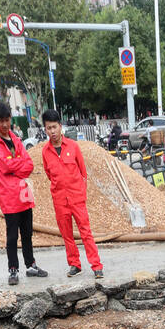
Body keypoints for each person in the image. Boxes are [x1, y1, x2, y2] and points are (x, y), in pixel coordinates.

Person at [0, 100, 48, 286]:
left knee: (27, 233)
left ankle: (31, 265)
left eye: (7, 120)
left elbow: (28, 164)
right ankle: (13, 269)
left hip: (24, 192)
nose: (5, 124)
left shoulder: (14, 137)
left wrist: (16, 166)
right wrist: (18, 164)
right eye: (1, 121)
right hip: (9, 196)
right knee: (12, 236)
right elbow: (5, 165)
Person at [41, 108, 103, 279]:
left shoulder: (73, 147)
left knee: (86, 232)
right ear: (45, 129)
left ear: (60, 126)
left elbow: (83, 172)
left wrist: (80, 192)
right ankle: (74, 264)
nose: (52, 131)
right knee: (67, 234)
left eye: (54, 127)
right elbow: (49, 174)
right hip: (60, 200)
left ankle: (96, 265)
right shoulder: (46, 152)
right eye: (48, 128)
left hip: (77, 198)